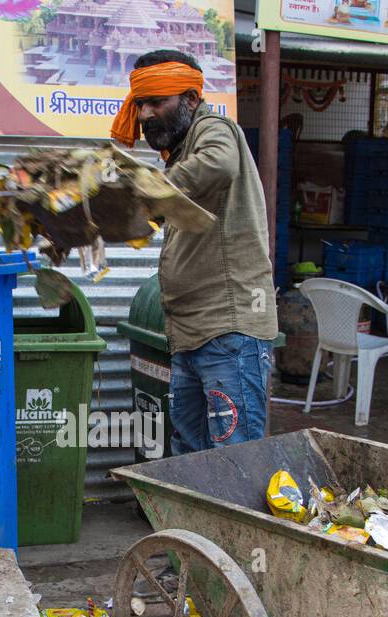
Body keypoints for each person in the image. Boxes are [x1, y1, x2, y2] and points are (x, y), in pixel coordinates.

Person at [110, 49, 277, 455]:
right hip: (189, 333)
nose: (146, 114)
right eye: (141, 104)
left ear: (189, 99)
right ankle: (194, 522)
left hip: (227, 328)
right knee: (189, 450)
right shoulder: (179, 160)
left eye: (157, 102)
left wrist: (146, 187)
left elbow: (219, 165)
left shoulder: (214, 130)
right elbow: (143, 217)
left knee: (233, 454)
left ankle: (237, 522)